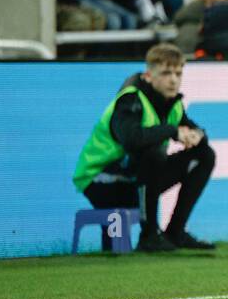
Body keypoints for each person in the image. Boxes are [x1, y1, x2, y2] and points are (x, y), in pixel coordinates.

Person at [71, 43, 216, 253]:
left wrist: (197, 135)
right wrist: (172, 131)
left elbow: (192, 130)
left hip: (135, 179)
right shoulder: (130, 100)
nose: (173, 79)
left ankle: (175, 232)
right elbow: (131, 139)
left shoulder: (172, 103)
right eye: (166, 73)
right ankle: (149, 234)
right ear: (148, 76)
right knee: (153, 153)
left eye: (178, 73)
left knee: (204, 155)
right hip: (101, 181)